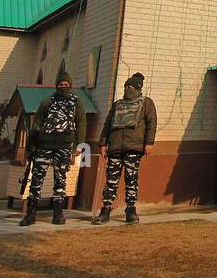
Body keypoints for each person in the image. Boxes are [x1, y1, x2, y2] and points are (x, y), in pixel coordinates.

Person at [20, 70, 86, 227]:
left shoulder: (77, 103)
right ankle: (31, 214)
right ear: (56, 85)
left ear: (71, 86)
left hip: (64, 145)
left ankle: (58, 213)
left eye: (66, 85)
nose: (63, 87)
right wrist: (31, 147)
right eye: (61, 84)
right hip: (45, 144)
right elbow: (36, 124)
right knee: (36, 179)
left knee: (60, 179)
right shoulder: (47, 102)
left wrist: (79, 146)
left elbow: (81, 124)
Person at [93, 71, 157, 224]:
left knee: (131, 179)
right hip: (115, 147)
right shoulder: (117, 104)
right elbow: (108, 124)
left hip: (134, 147)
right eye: (126, 86)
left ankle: (131, 209)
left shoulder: (146, 103)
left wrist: (149, 143)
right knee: (111, 181)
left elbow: (151, 123)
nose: (128, 89)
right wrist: (102, 143)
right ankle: (106, 209)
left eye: (131, 86)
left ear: (138, 88)